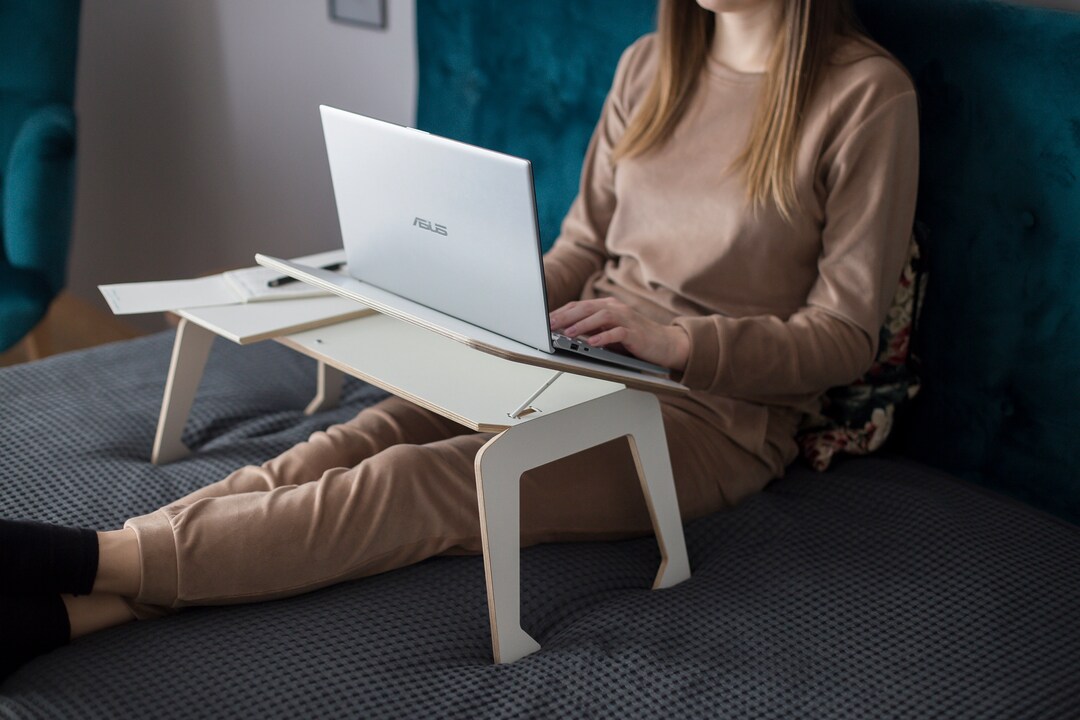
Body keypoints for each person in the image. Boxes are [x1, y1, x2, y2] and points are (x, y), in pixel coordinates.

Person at [1, 0, 918, 678]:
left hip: (709, 417)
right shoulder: (650, 64)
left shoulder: (865, 96)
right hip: (574, 351)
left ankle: (86, 559)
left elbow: (842, 335)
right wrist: (478, 297)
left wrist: (681, 343)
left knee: (428, 481)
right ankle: (61, 615)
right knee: (360, 436)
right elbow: (582, 252)